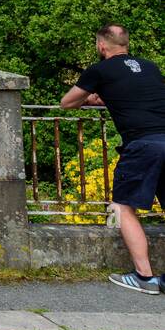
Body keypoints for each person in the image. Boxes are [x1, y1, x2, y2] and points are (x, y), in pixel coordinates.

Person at [61, 25, 165, 294]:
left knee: (123, 207)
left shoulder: (100, 70)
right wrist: (108, 100)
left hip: (143, 145)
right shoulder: (150, 67)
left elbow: (68, 102)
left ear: (101, 46)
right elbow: (139, 98)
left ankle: (144, 278)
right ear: (126, 44)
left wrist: (92, 99)